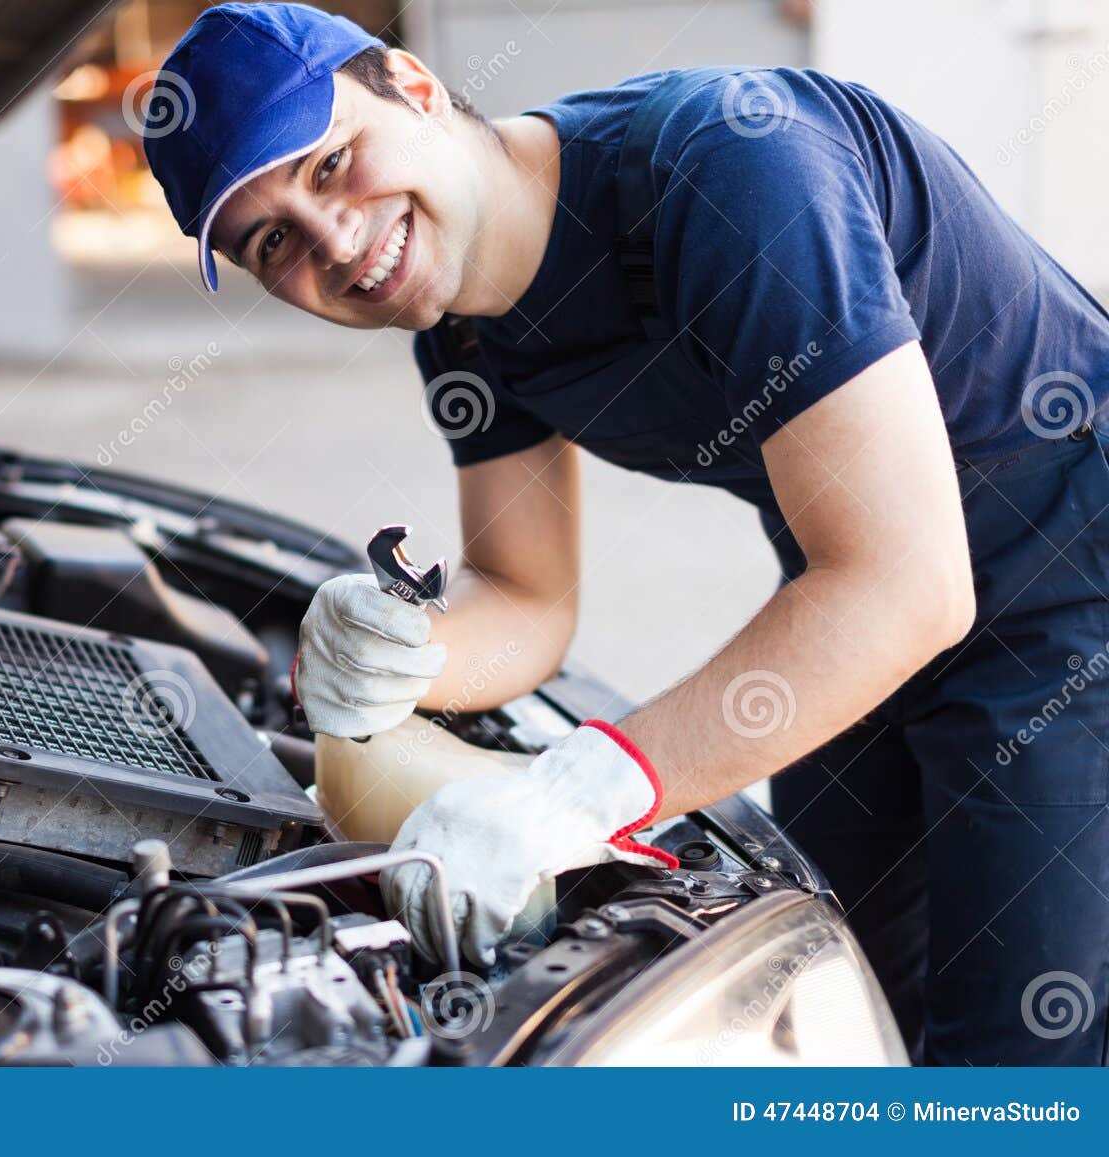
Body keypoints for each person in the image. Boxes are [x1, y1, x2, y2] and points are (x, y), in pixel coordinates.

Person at [140, 2, 1109, 1065]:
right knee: (835, 994)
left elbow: (906, 586)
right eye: (271, 240)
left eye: (329, 166)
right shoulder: (461, 325)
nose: (333, 243)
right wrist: (403, 653)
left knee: (1017, 1059)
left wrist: (571, 793)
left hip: (1066, 592)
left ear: (414, 87)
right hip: (845, 598)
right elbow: (526, 596)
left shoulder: (729, 167)